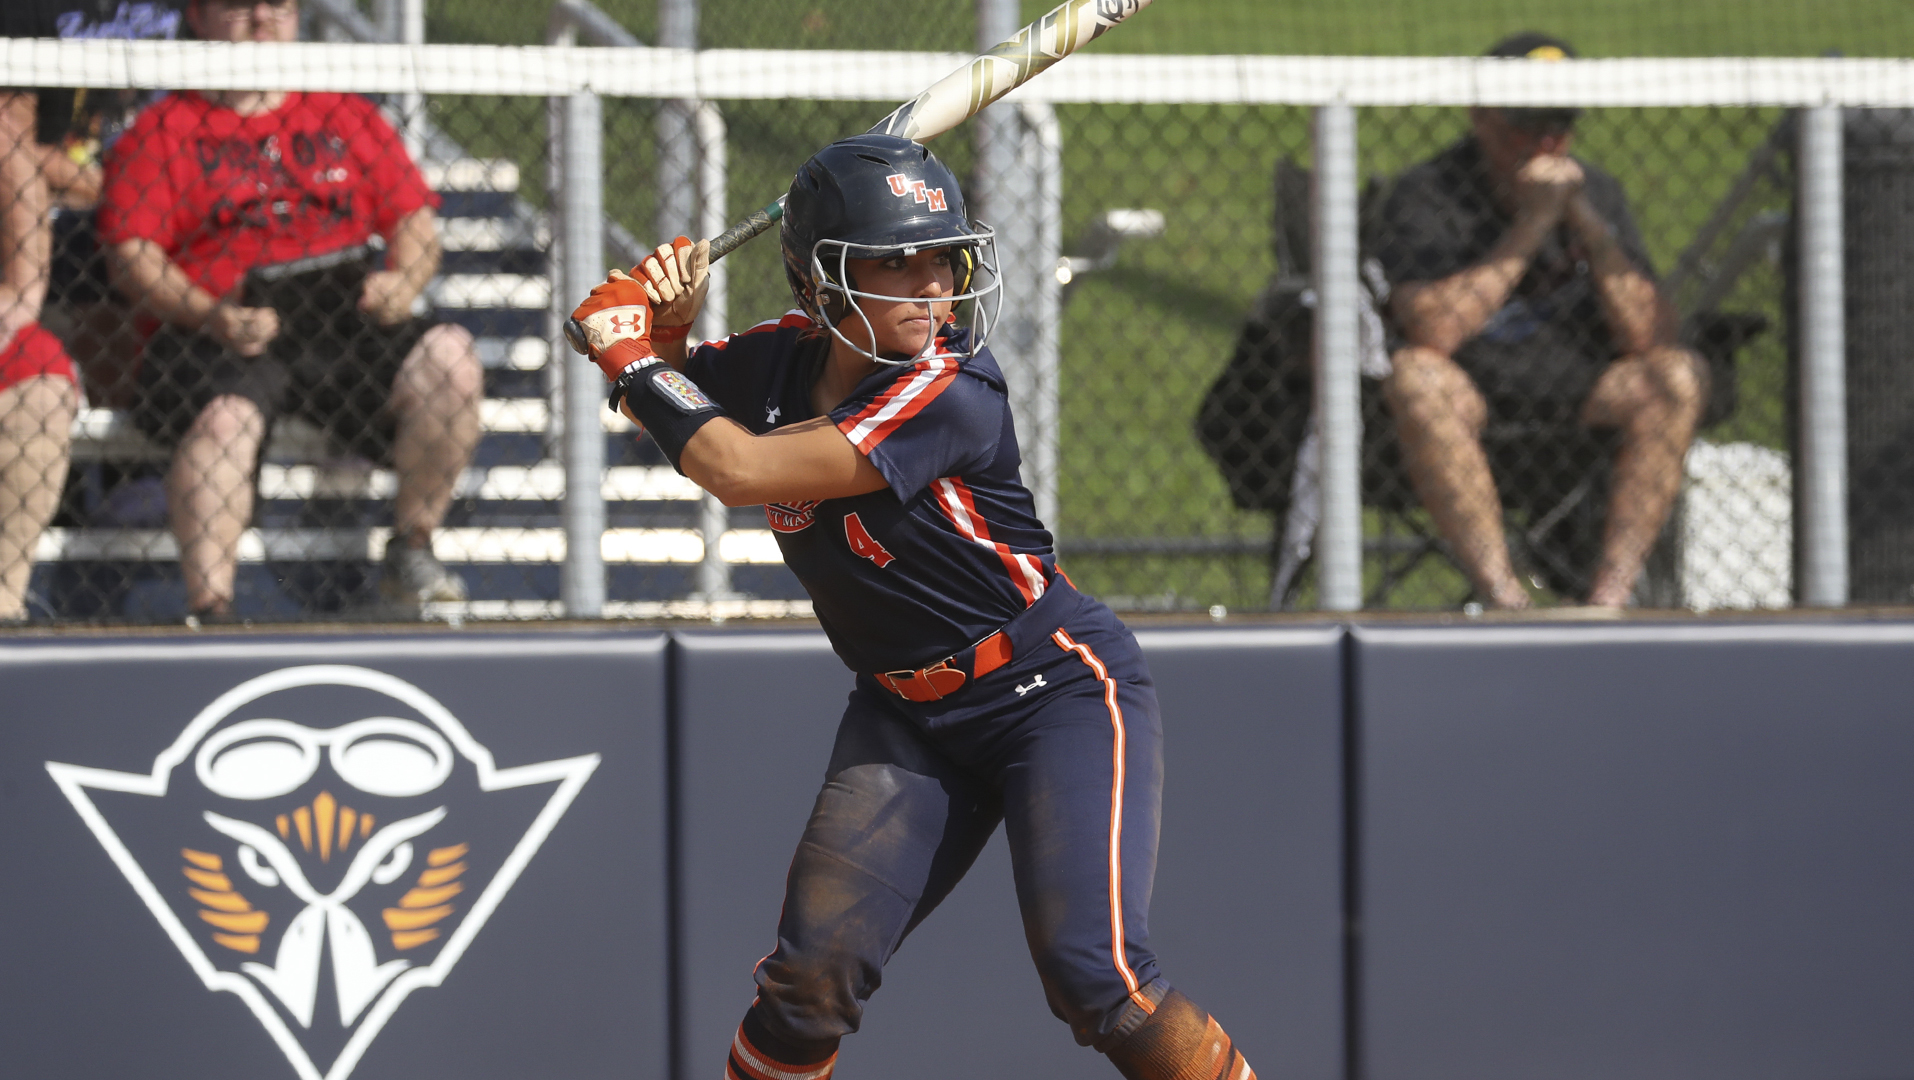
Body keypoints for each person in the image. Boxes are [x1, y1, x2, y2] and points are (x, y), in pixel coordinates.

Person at [569, 134, 1255, 1080]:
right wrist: (662, 339)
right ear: (821, 283)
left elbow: (734, 467)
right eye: (896, 263)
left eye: (943, 260)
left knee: (1097, 977)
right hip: (907, 710)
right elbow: (689, 410)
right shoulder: (777, 362)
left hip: (1050, 686)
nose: (933, 288)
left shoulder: (949, 388)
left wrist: (631, 356)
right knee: (807, 985)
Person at [97, 0, 481, 622]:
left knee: (452, 358)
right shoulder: (163, 127)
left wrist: (403, 284)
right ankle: (211, 611)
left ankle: (412, 548)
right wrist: (210, 312)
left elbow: (415, 222)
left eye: (277, 5)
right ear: (198, 17)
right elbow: (131, 255)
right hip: (223, 328)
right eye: (239, 6)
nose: (261, 19)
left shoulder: (344, 113)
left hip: (342, 319)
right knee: (224, 423)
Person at [1371, 32, 1706, 610]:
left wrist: (1585, 223)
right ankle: (1504, 599)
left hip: (1579, 395)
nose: (1547, 143)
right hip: (1471, 399)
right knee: (1415, 375)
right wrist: (1531, 225)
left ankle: (1610, 599)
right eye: (1527, 126)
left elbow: (1650, 335)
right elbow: (1434, 331)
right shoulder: (1427, 195)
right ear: (1481, 116)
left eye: (1560, 123)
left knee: (1676, 375)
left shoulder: (1595, 191)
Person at [1, 1, 185, 623]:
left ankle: (130, 475)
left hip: (152, 198)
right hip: (88, 195)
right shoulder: (26, 12)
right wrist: (121, 189)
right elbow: (15, 135)